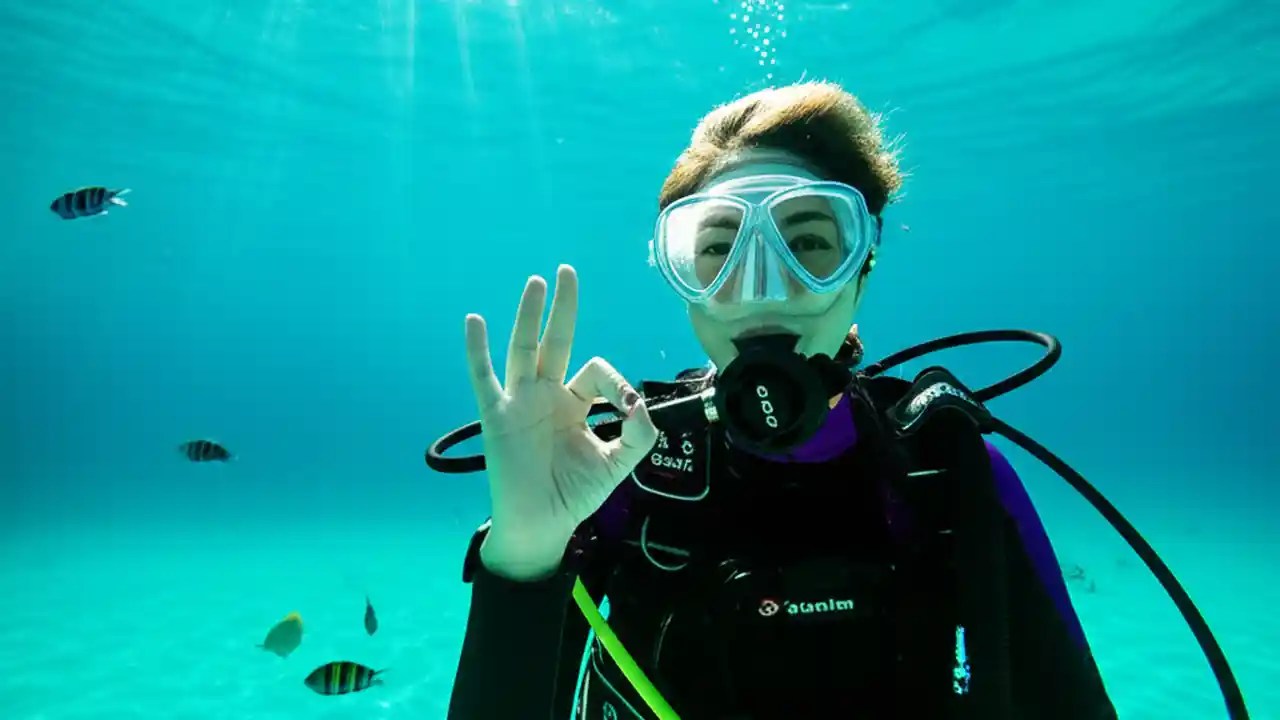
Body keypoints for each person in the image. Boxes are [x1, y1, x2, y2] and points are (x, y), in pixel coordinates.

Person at [445, 81, 1117, 719]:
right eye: (718, 248)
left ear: (863, 266)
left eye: (809, 243)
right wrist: (523, 558)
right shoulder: (624, 472)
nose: (762, 288)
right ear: (681, 279)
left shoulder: (950, 474)